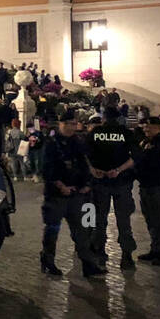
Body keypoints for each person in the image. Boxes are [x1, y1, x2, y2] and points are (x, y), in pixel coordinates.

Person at [41, 114, 104, 278]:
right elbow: (46, 169)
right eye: (68, 124)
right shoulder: (52, 144)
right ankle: (48, 261)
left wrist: (87, 185)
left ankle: (88, 264)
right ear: (60, 124)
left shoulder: (78, 142)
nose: (71, 127)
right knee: (52, 230)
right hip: (57, 195)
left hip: (77, 195)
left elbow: (85, 164)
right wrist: (60, 185)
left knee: (82, 231)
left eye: (74, 124)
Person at [86, 104, 138, 270]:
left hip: (100, 182)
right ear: (119, 118)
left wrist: (93, 170)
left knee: (99, 220)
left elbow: (84, 155)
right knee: (124, 220)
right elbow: (135, 157)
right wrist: (118, 170)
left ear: (104, 118)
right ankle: (126, 256)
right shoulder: (127, 134)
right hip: (121, 182)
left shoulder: (95, 133)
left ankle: (100, 253)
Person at [135, 115, 160, 267]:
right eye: (144, 126)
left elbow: (158, 161)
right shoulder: (145, 142)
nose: (146, 129)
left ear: (157, 127)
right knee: (150, 219)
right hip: (145, 185)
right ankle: (155, 249)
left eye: (149, 126)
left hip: (157, 185)